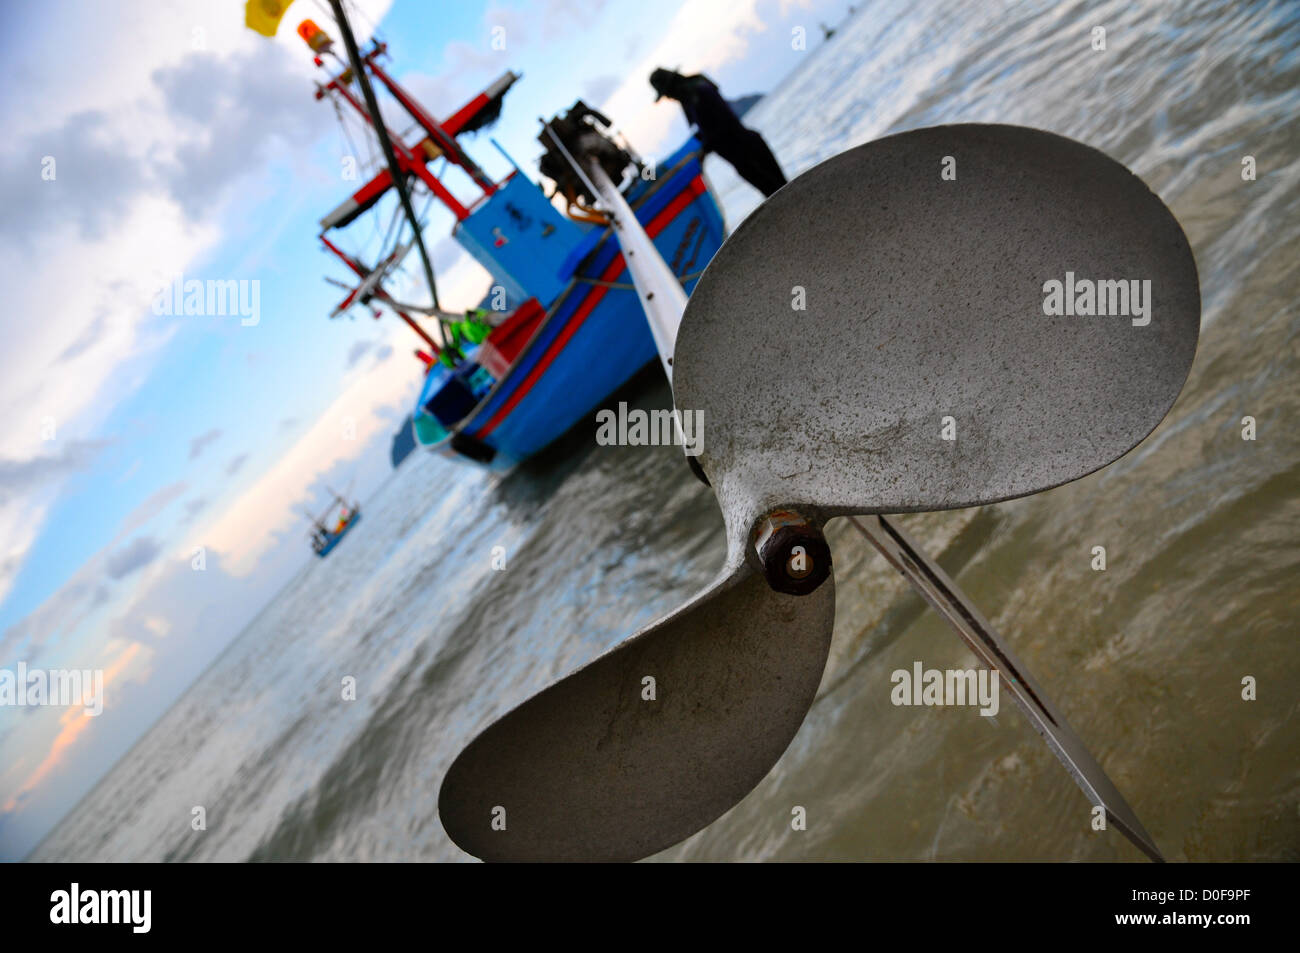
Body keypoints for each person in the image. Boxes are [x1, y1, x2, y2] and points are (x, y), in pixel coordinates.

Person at [649, 68, 787, 197]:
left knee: (782, 193)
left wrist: (705, 149)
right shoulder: (689, 101)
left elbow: (724, 124)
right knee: (777, 195)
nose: (669, 97)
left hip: (750, 154)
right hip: (743, 162)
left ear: (673, 85)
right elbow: (703, 132)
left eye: (667, 93)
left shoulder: (698, 91)